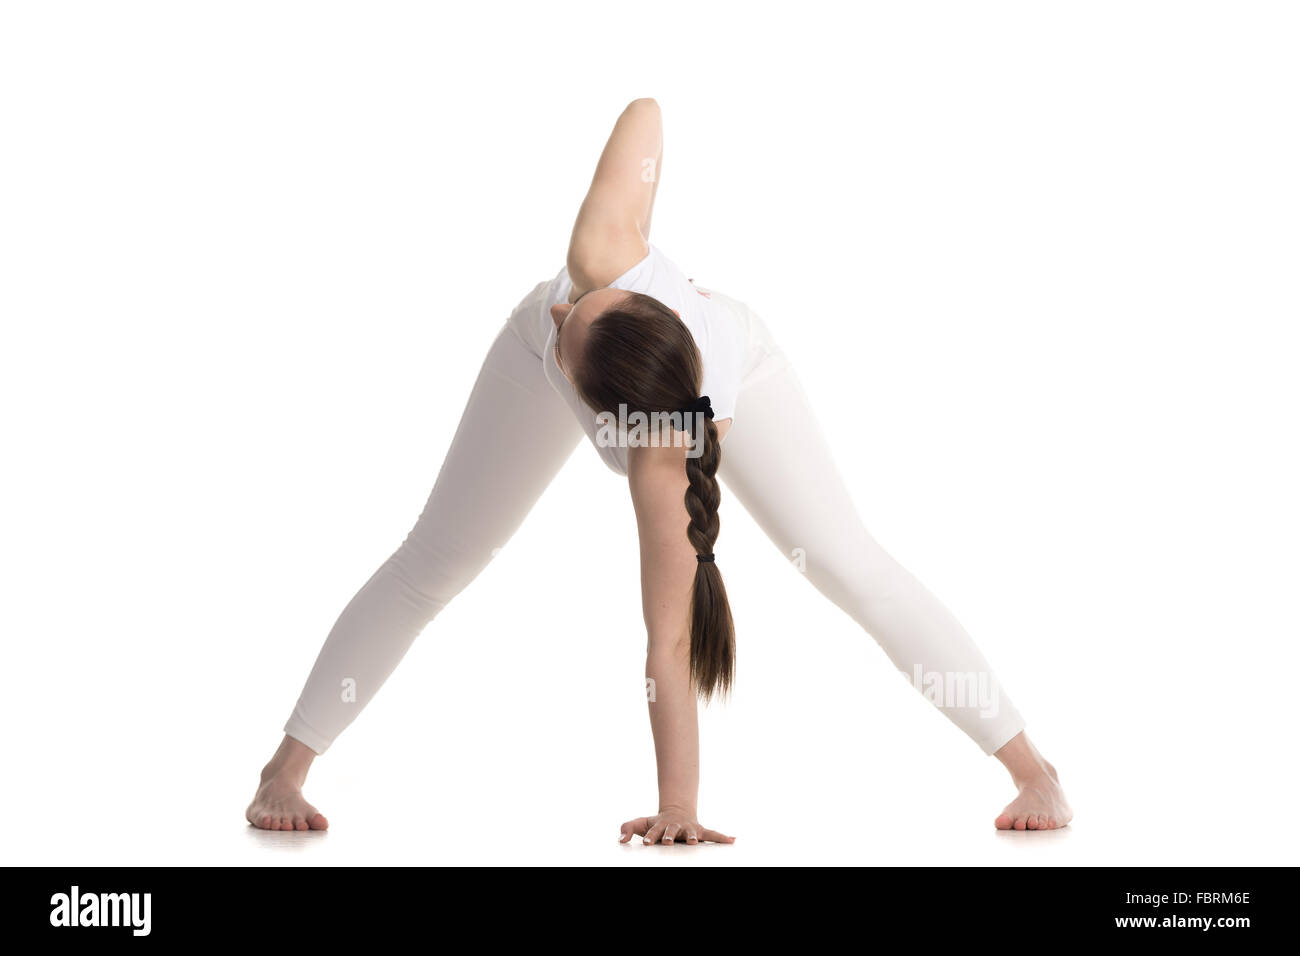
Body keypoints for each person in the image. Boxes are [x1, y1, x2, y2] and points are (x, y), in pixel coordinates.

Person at [246, 99, 1073, 840]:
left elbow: (669, 639)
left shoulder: (658, 460)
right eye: (584, 300)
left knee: (845, 560)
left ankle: (1034, 767)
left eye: (572, 319)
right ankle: (284, 768)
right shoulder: (600, 254)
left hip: (733, 371)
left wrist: (678, 806)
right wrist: (596, 272)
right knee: (439, 557)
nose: (565, 300)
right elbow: (648, 110)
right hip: (579, 346)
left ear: (605, 419)